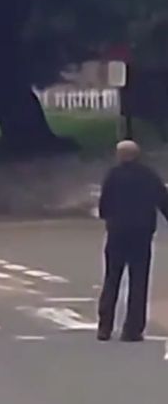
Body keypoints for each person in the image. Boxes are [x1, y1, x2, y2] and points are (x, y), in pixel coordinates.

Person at [97, 139, 168, 341]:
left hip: (117, 233)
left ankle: (105, 327)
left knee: (112, 278)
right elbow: (164, 201)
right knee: (139, 281)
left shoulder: (113, 176)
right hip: (142, 233)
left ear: (120, 156)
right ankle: (132, 329)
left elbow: (104, 205)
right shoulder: (149, 175)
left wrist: (109, 217)